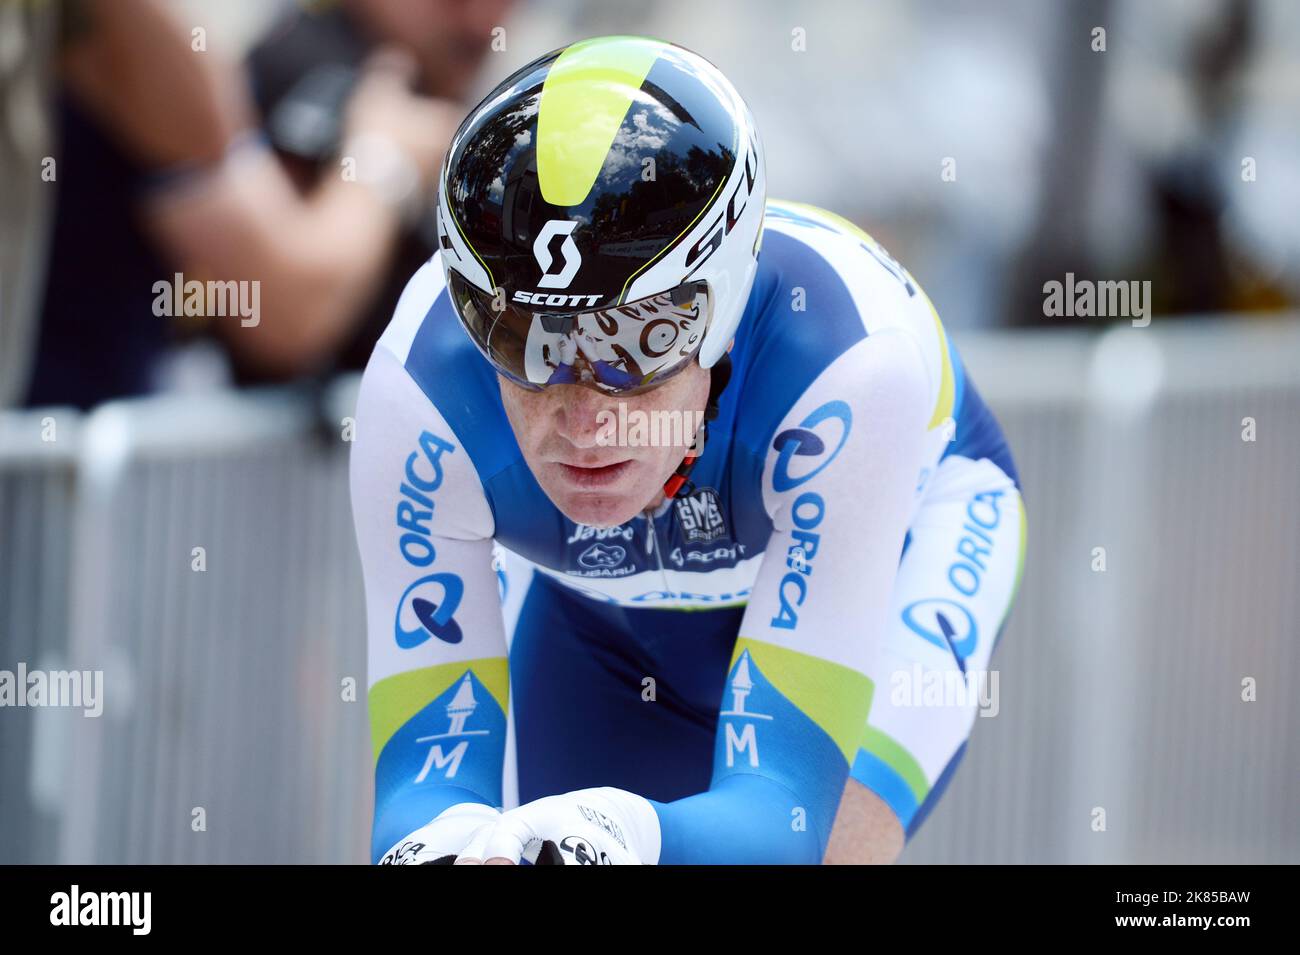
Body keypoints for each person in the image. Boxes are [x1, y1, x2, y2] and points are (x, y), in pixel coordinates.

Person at [350, 36, 1026, 865]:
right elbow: (424, 791)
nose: (583, 419)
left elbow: (783, 821)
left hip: (910, 544)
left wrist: (627, 834)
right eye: (525, 342)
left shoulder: (846, 371)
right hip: (603, 615)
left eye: (635, 345)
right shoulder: (418, 392)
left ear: (723, 309)